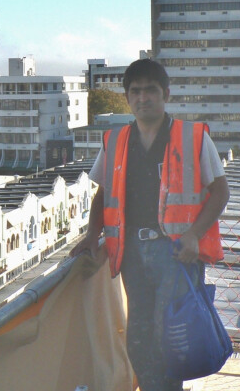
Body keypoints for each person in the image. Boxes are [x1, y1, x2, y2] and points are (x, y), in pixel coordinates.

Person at [70, 58, 229, 391]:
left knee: (170, 336)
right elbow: (103, 194)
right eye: (135, 91)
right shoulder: (115, 141)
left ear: (165, 94)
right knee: (139, 337)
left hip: (175, 252)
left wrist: (193, 235)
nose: (143, 98)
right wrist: (91, 236)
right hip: (131, 252)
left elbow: (220, 192)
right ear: (127, 98)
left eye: (150, 91)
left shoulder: (193, 137)